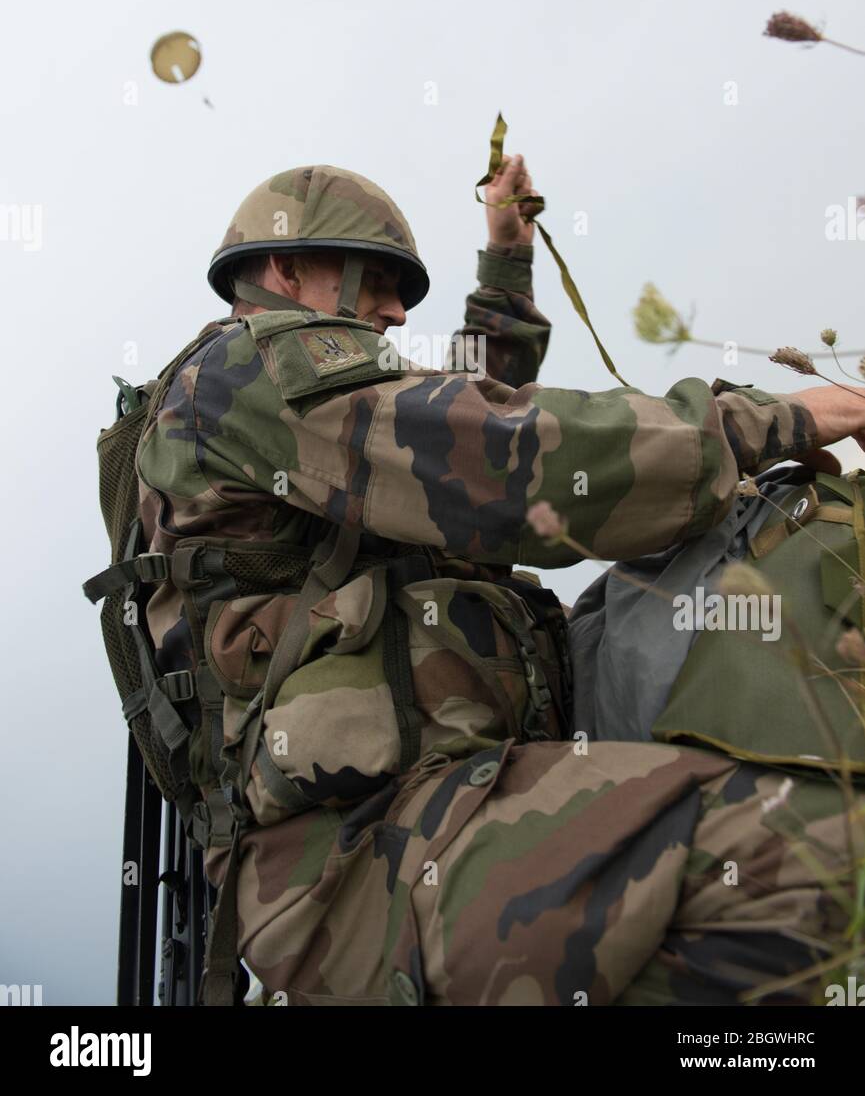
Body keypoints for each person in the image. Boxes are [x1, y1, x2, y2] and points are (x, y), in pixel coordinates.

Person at [135, 156, 865, 1006]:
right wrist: (768, 419)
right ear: (285, 268)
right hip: (354, 859)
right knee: (814, 853)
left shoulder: (307, 425)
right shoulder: (238, 372)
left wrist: (505, 264)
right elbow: (494, 464)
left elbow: (456, 422)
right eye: (377, 277)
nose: (398, 308)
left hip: (456, 794)